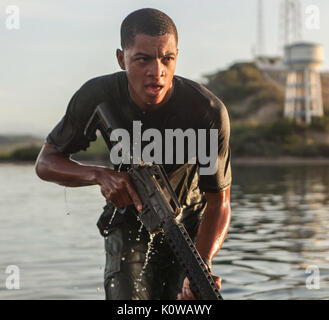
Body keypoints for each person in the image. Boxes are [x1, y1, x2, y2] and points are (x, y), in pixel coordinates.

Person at [35, 8, 231, 300]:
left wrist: (202, 263)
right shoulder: (98, 96)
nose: (157, 71)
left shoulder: (205, 112)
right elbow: (45, 163)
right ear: (121, 58)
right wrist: (100, 175)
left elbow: (220, 202)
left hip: (189, 225)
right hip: (128, 219)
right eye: (143, 59)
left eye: (168, 59)